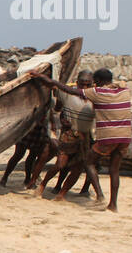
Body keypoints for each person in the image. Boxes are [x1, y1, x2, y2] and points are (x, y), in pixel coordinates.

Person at [36, 68, 132, 211]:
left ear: (97, 82)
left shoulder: (97, 93)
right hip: (125, 137)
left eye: (92, 82)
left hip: (108, 137)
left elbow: (70, 90)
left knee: (87, 161)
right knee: (114, 170)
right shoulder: (125, 91)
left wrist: (46, 79)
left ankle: (100, 196)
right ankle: (113, 205)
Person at [38, 70, 96, 199]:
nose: (85, 88)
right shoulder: (68, 94)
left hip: (85, 137)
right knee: (60, 164)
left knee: (77, 169)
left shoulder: (95, 96)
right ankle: (42, 184)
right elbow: (58, 107)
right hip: (68, 135)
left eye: (88, 85)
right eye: (82, 84)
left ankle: (62, 193)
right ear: (77, 83)